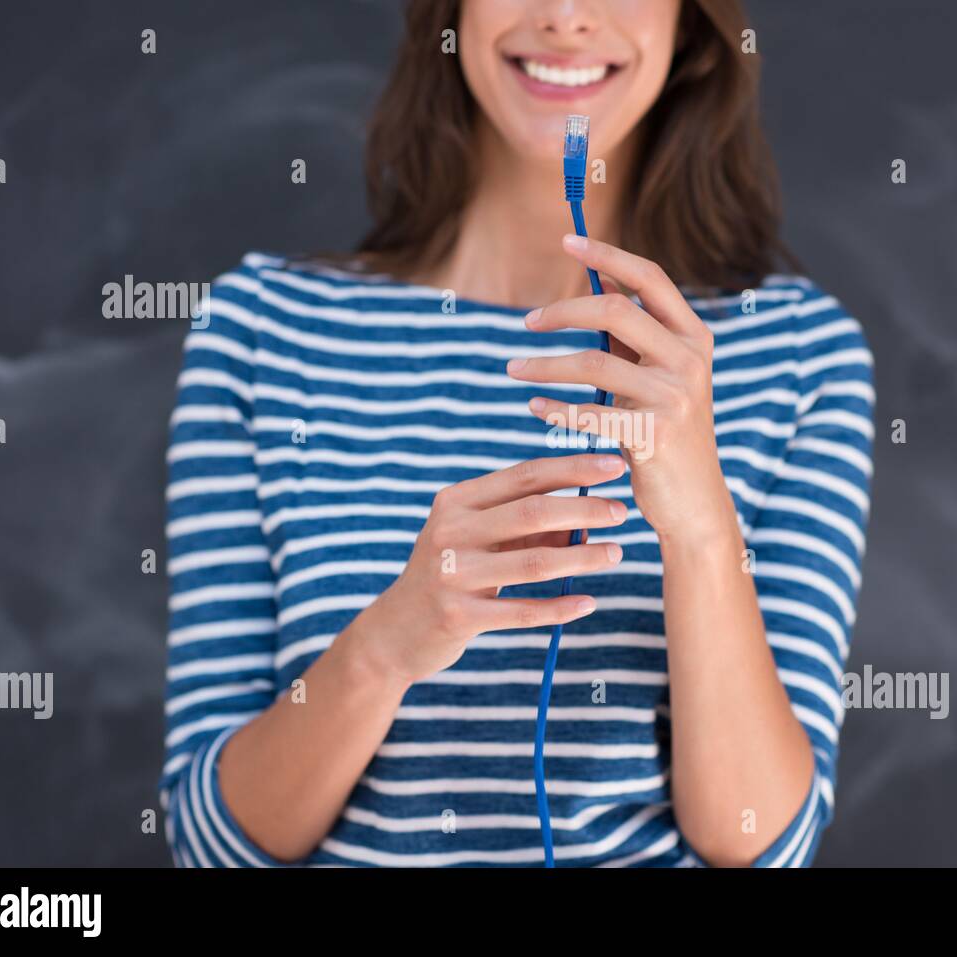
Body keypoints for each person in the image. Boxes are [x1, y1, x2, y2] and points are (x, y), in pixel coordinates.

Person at [160, 0, 873, 868]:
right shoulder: (265, 329)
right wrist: (386, 645)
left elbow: (764, 845)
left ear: (689, 19)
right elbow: (209, 844)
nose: (567, 18)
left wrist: (699, 531)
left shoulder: (795, 350)